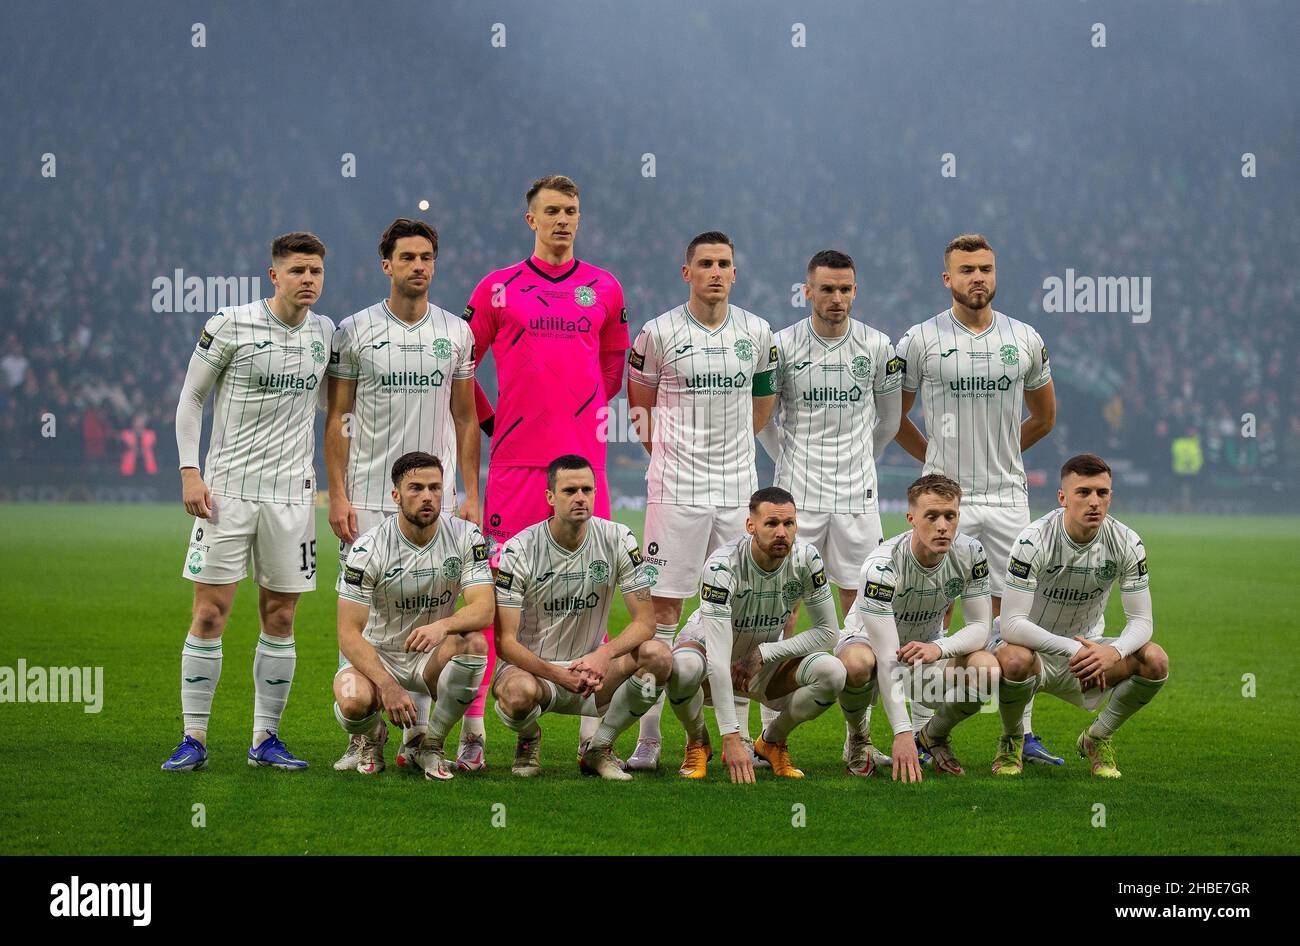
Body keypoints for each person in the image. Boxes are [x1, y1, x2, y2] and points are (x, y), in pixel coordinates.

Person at [460, 175, 629, 769]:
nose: (562, 220)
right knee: (494, 598)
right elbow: (462, 364)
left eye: (571, 211)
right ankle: (477, 731)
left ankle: (593, 740)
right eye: (552, 210)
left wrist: (578, 414)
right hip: (515, 466)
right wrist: (494, 420)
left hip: (583, 465)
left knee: (593, 592)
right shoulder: (497, 288)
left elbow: (612, 368)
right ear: (530, 219)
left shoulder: (604, 288)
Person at [163, 232, 334, 771]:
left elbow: (336, 406)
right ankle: (193, 738)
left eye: (316, 271)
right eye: (298, 270)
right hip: (226, 494)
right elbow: (192, 398)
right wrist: (190, 471)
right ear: (274, 275)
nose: (308, 279)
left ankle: (266, 740)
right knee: (209, 613)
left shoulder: (326, 334)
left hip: (292, 499)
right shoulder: (229, 324)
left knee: (280, 617)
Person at [893, 233, 1060, 765]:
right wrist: (934, 462)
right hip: (947, 502)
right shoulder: (919, 340)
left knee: (1015, 618)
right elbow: (893, 416)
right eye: (966, 270)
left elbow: (1045, 416)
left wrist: (1004, 452)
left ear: (996, 273)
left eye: (985, 268)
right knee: (938, 609)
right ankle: (924, 731)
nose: (978, 278)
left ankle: (1020, 735)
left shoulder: (1024, 338)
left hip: (1008, 498)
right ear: (947, 278)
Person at [325, 218, 480, 772]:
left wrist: (471, 492)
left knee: (438, 612)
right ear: (386, 264)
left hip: (436, 498)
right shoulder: (354, 331)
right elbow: (338, 416)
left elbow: (466, 418)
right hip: (369, 498)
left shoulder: (456, 332)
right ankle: (364, 734)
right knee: (363, 616)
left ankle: (422, 736)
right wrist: (337, 493)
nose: (419, 266)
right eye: (408, 257)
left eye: (427, 257)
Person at [625, 230, 778, 771]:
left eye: (724, 263)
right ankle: (649, 740)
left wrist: (730, 450)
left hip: (737, 491)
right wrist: (672, 456)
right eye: (706, 263)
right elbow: (639, 408)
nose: (716, 272)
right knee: (663, 612)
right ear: (686, 272)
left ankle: (745, 737)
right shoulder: (657, 332)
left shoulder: (757, 332)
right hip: (675, 490)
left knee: (740, 612)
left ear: (735, 273)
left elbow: (762, 404)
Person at [762, 248, 902, 772]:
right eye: (826, 289)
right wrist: (790, 460)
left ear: (855, 291)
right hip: (795, 498)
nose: (836, 298)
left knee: (861, 613)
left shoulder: (878, 346)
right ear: (808, 291)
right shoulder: (781, 346)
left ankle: (858, 738)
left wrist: (858, 462)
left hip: (856, 499)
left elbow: (888, 422)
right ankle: (769, 735)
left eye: (845, 289)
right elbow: (765, 420)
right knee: (781, 611)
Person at [991, 454, 1169, 778]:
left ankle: (1097, 737)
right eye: (1083, 492)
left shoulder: (1127, 542)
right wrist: (1076, 649)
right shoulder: (1033, 540)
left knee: (1155, 661)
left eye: (1102, 493)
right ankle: (1012, 740)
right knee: (1015, 659)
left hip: (1090, 657)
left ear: (1111, 496)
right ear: (1062, 498)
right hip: (1033, 652)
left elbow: (1142, 621)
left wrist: (1113, 652)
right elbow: (1012, 624)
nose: (1094, 502)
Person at [491, 455, 668, 780]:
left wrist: (603, 654)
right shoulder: (519, 549)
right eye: (569, 491)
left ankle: (599, 747)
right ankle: (529, 738)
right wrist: (559, 675)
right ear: (550, 497)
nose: (580, 498)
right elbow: (504, 643)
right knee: (516, 695)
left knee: (658, 656)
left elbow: (646, 622)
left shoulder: (619, 538)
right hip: (534, 673)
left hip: (593, 673)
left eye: (587, 490)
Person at [667, 487, 844, 782]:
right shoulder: (722, 566)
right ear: (751, 526)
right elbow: (718, 657)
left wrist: (764, 652)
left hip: (761, 662)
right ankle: (697, 741)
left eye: (789, 523)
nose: (782, 533)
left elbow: (828, 633)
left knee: (833, 673)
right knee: (682, 668)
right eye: (771, 523)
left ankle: (772, 741)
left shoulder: (807, 558)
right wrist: (731, 737)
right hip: (710, 656)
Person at [333, 452, 492, 779]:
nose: (427, 496)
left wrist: (443, 626)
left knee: (474, 645)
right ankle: (373, 736)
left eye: (435, 488)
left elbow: (484, 609)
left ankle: (430, 744)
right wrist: (386, 685)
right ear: (396, 495)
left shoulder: (466, 536)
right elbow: (348, 633)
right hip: (380, 655)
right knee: (351, 702)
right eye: (416, 488)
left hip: (431, 655)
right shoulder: (368, 548)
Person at [834, 474, 996, 780]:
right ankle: (858, 738)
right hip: (870, 647)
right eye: (931, 516)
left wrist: (938, 648)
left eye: (950, 516)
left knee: (987, 669)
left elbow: (979, 627)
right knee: (856, 663)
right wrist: (902, 732)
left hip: (924, 650)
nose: (942, 526)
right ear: (911, 519)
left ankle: (934, 736)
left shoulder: (971, 553)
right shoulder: (882, 566)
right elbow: (887, 656)